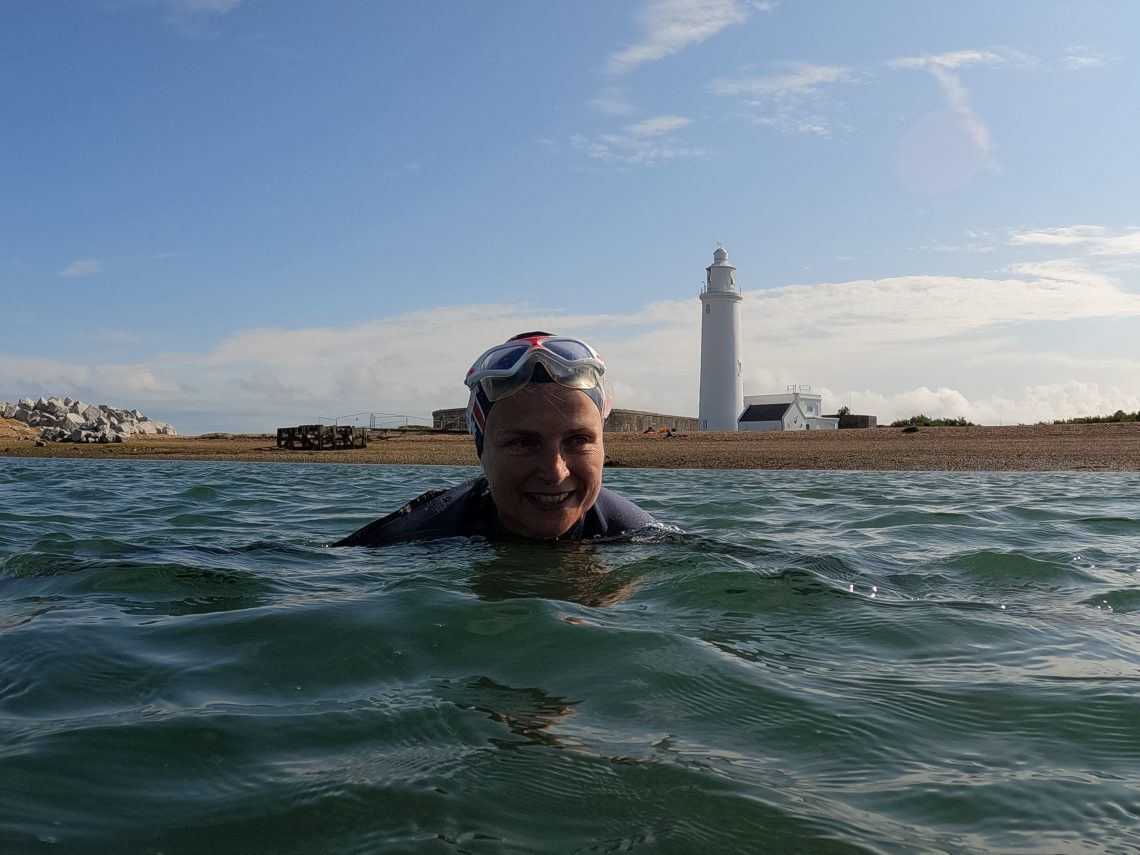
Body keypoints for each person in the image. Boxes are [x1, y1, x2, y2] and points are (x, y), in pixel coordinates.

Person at [333, 332, 660, 546]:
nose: (555, 472)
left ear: (603, 445)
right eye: (524, 443)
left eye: (578, 440)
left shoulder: (640, 537)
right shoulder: (406, 540)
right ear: (482, 451)